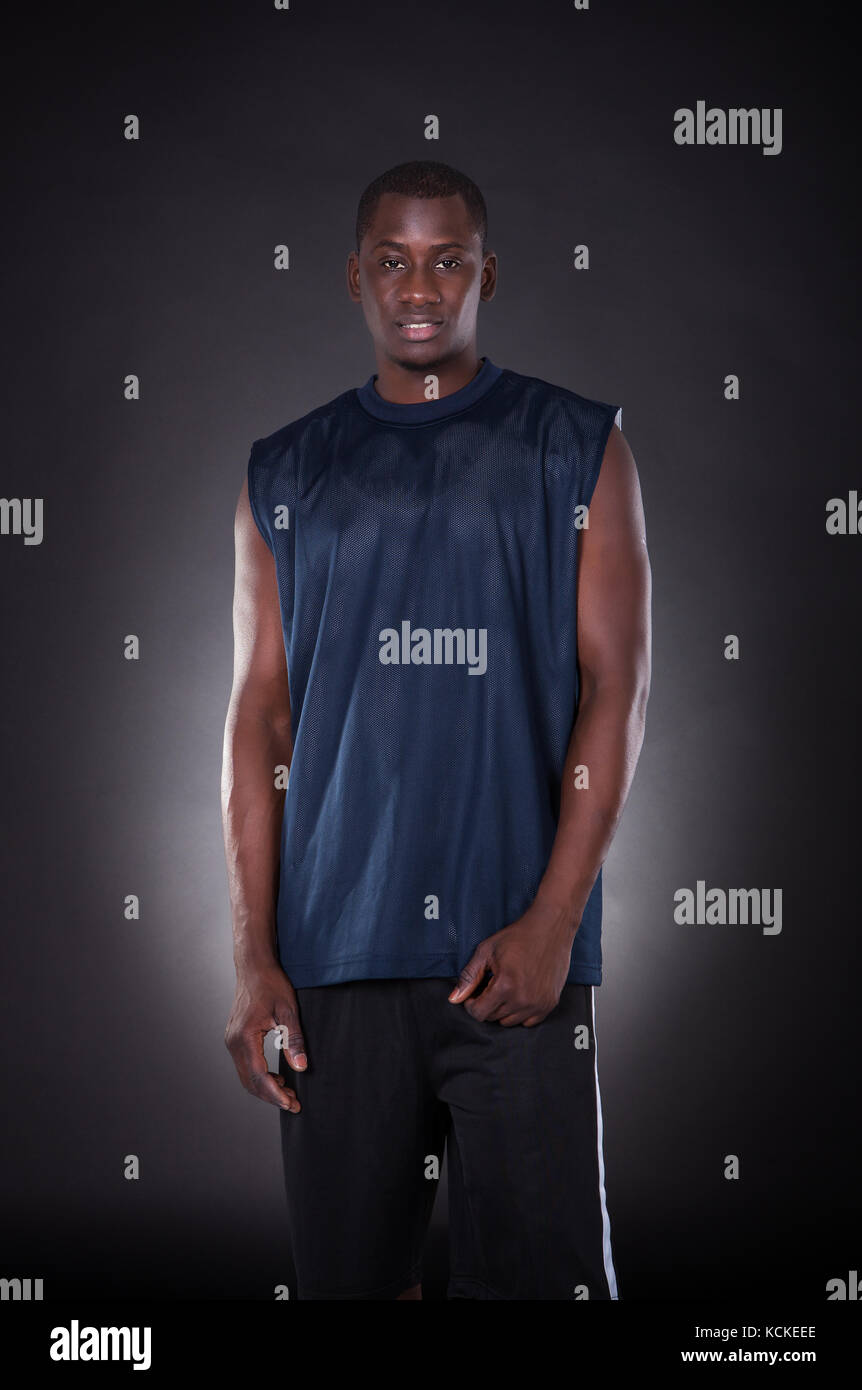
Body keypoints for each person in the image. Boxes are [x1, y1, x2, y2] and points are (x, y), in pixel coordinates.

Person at [222, 159, 651, 1301]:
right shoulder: (285, 471)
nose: (421, 285)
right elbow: (260, 719)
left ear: (487, 275)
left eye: (448, 258)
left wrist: (553, 922)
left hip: (514, 963)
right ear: (354, 276)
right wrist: (255, 955)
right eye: (394, 259)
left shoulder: (576, 444)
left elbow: (619, 685)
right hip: (335, 966)